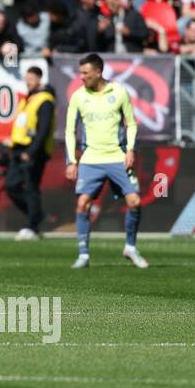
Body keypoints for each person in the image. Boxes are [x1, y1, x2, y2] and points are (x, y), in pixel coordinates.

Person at [64, 52, 148, 270]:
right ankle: (83, 254)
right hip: (90, 159)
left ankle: (130, 246)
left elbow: (131, 123)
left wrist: (130, 150)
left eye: (85, 73)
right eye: (80, 72)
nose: (81, 77)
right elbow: (70, 131)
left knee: (134, 202)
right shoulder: (78, 96)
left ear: (98, 72)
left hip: (117, 157)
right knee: (83, 203)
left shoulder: (119, 92)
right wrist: (71, 160)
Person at [6, 66, 55, 241]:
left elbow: (43, 130)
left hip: (33, 150)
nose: (28, 81)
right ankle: (37, 215)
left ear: (39, 79)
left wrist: (32, 151)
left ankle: (32, 226)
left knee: (31, 188)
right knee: (11, 186)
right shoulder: (27, 100)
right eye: (27, 78)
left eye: (31, 78)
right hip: (19, 149)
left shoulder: (45, 100)